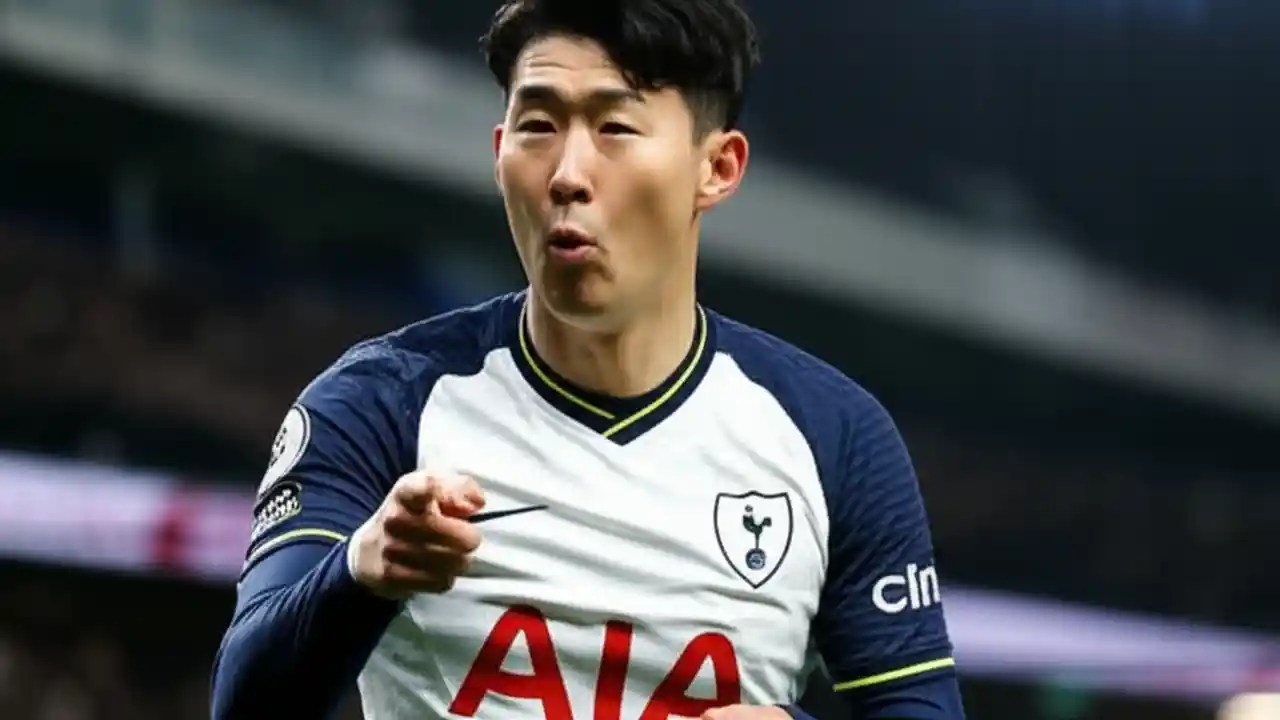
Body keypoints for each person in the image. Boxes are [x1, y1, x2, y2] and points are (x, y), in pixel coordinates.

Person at [209, 0, 966, 718]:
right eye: (538, 125)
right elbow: (241, 703)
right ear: (501, 152)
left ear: (719, 168)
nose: (567, 173)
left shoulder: (834, 440)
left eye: (614, 127)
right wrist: (360, 573)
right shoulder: (378, 404)